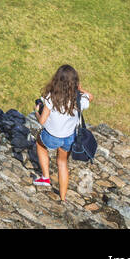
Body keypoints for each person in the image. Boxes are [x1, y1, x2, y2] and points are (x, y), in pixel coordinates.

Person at [34, 64, 92, 200]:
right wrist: (79, 89)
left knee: (40, 144)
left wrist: (37, 111)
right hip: (69, 138)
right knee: (62, 163)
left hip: (51, 136)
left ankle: (45, 177)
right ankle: (63, 198)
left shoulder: (50, 97)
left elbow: (42, 121)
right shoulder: (78, 100)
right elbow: (90, 96)